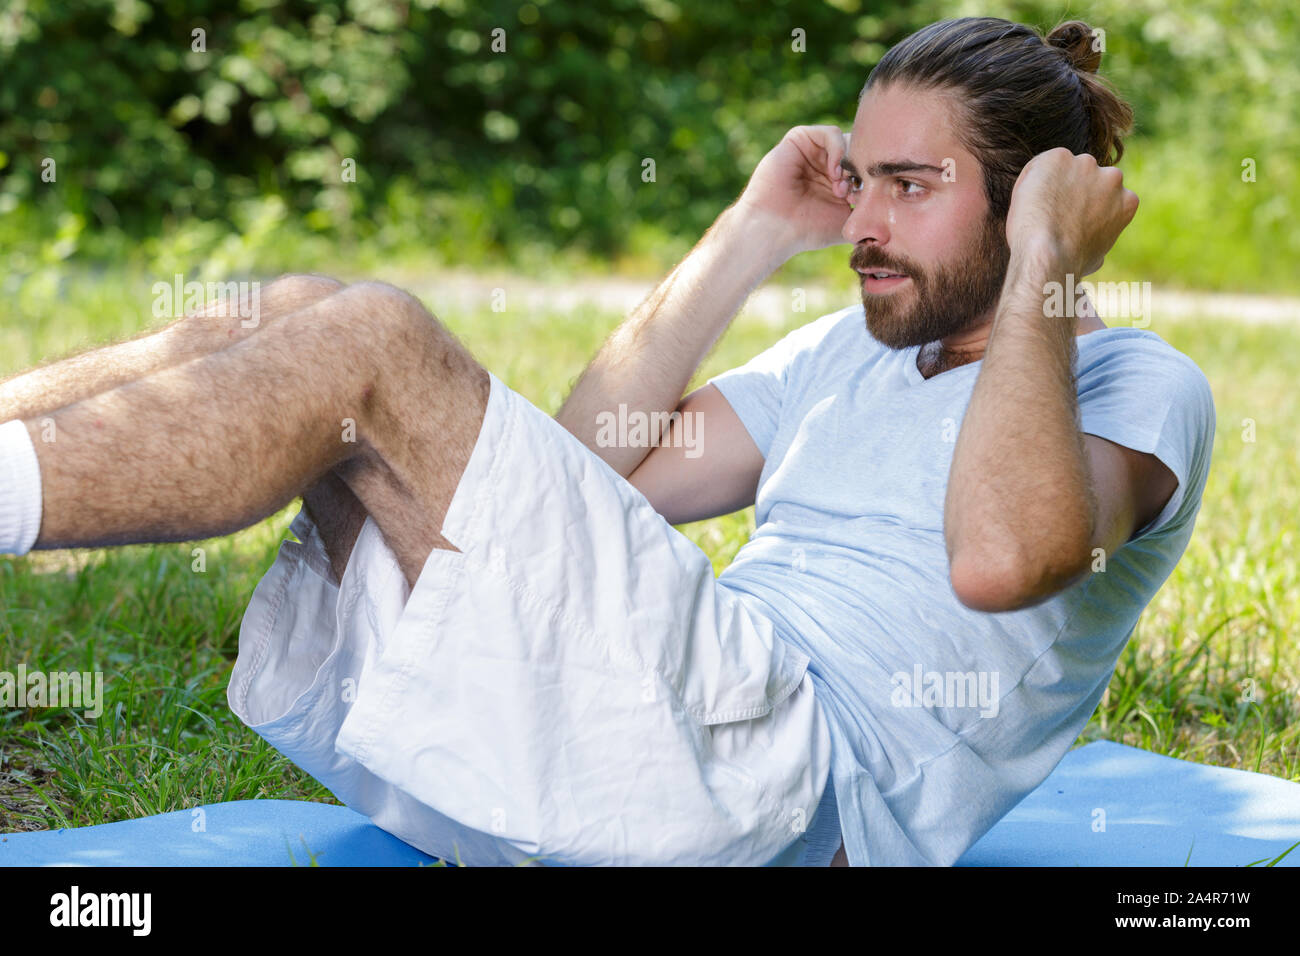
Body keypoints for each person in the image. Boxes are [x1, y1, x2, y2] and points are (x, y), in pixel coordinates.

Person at [0, 16, 1215, 866]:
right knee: (307, 306)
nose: (862, 221)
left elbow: (1001, 558)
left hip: (778, 792)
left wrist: (1049, 263)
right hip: (638, 746)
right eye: (861, 181)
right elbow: (586, 469)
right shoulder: (847, 355)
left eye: (910, 185)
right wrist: (747, 232)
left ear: (1031, 194)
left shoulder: (1132, 384)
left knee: (371, 337)